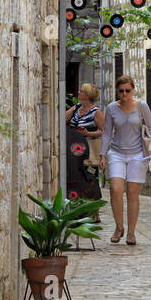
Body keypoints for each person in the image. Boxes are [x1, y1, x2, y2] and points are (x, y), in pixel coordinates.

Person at [99, 74, 151, 245]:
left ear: (133, 90)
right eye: (121, 91)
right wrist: (102, 154)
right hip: (116, 153)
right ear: (117, 91)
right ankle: (119, 227)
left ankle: (131, 232)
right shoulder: (111, 108)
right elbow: (107, 132)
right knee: (116, 189)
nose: (124, 94)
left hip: (137, 155)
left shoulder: (142, 106)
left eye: (128, 91)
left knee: (133, 193)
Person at [65, 83, 104, 211]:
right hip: (73, 152)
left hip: (88, 151)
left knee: (89, 180)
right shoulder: (76, 108)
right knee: (74, 180)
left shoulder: (96, 112)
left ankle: (92, 212)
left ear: (87, 95)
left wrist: (88, 133)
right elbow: (62, 119)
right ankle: (75, 210)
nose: (78, 92)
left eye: (81, 91)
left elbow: (104, 131)